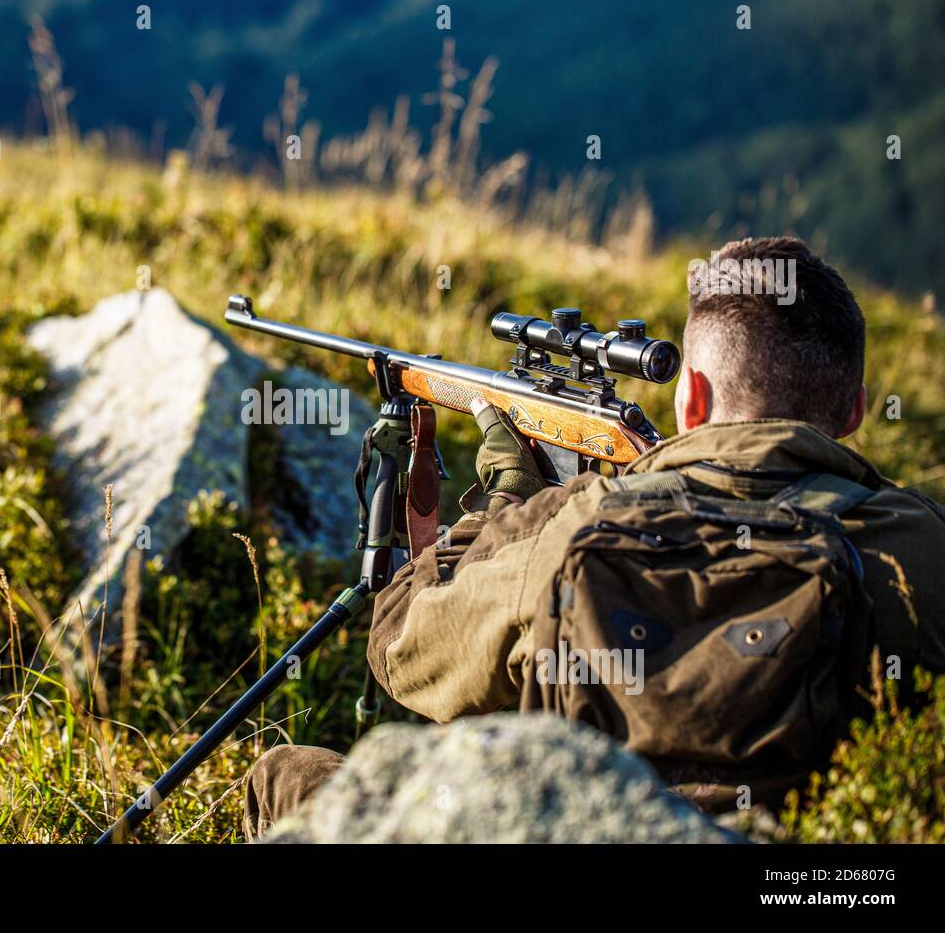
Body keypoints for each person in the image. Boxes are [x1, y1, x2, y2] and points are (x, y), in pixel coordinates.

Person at [243, 236, 945, 840]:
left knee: (283, 776)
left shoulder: (576, 521)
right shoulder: (923, 545)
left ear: (690, 399)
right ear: (855, 409)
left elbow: (400, 651)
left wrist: (509, 502)